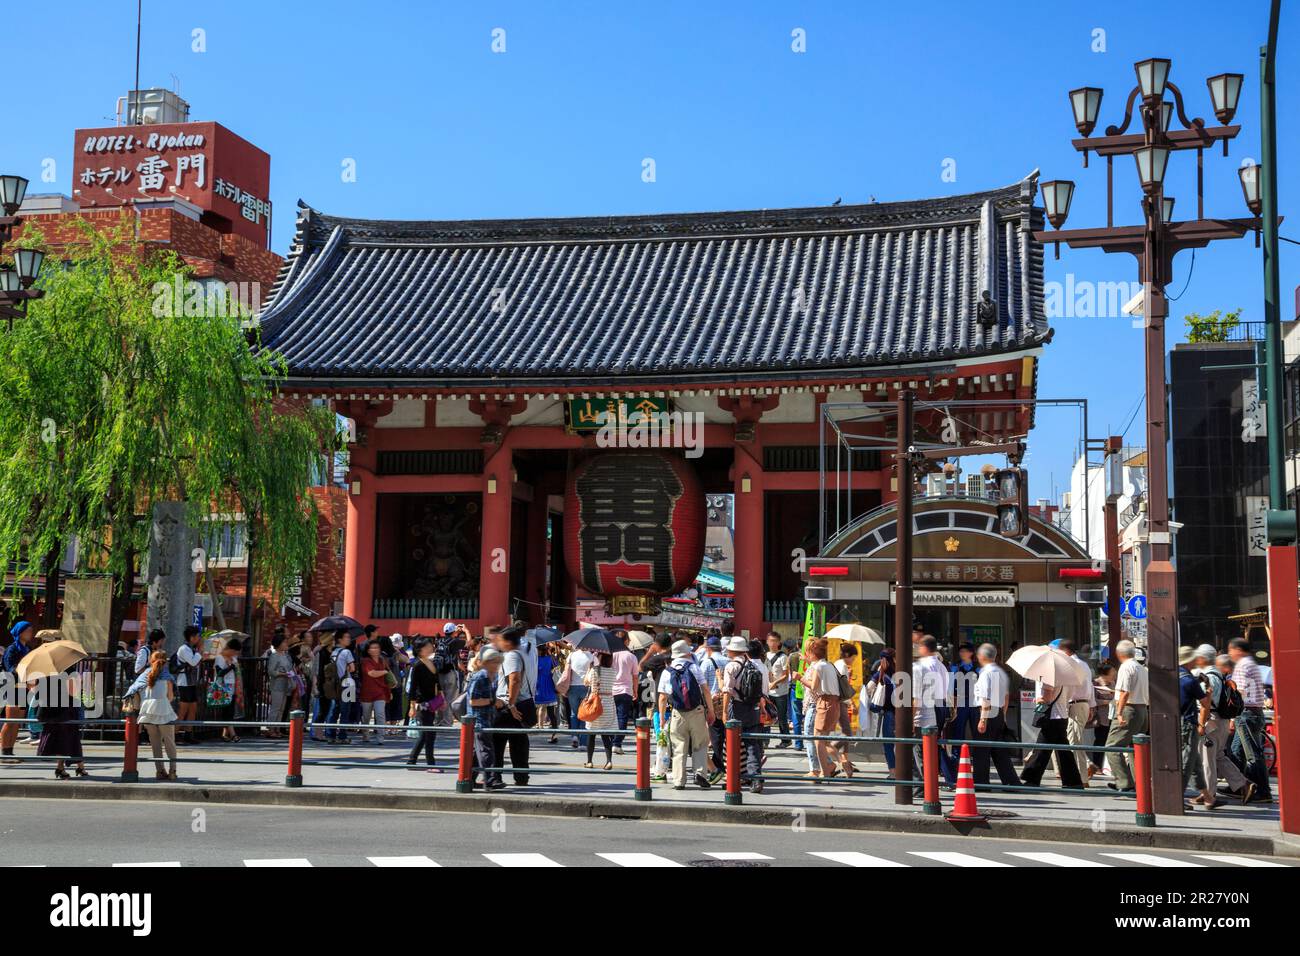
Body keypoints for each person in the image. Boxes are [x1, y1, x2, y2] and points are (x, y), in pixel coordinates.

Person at [1193, 646, 1253, 806]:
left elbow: (1206, 704)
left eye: (1197, 657)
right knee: (1218, 756)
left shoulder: (1208, 677)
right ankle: (1244, 784)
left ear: (1203, 658)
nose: (1196, 660)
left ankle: (1209, 794)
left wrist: (1201, 723)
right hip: (1222, 720)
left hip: (1210, 720)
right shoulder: (1218, 674)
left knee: (1207, 759)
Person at [657, 639, 715, 789]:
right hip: (697, 711)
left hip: (677, 713)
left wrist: (662, 718)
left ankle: (679, 780)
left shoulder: (667, 671)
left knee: (678, 747)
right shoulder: (694, 668)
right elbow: (706, 690)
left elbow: (662, 697)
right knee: (700, 744)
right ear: (687, 653)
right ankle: (700, 774)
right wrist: (711, 711)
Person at [1227, 638, 1272, 803]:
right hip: (1253, 712)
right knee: (1236, 750)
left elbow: (1239, 692)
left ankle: (1262, 791)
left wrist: (1231, 714)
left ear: (1238, 650)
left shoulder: (1242, 665)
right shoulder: (1251, 663)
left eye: (1231, 650)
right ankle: (1238, 785)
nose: (1230, 654)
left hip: (1246, 713)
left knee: (1253, 754)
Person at [720, 635, 765, 792]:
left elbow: (727, 691)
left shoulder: (731, 667)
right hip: (753, 708)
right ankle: (755, 780)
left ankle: (733, 778)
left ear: (732, 651)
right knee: (752, 746)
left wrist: (724, 712)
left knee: (732, 745)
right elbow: (759, 691)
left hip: (737, 708)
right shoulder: (753, 665)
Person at [493, 626, 537, 785]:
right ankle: (521, 776)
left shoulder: (511, 655)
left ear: (508, 642)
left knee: (497, 742)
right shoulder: (528, 653)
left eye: (500, 640)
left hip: (509, 705)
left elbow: (515, 679)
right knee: (519, 742)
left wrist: (511, 705)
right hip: (525, 702)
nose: (498, 643)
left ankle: (494, 777)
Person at [971, 643, 1020, 787]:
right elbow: (1006, 696)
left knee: (981, 750)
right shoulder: (1001, 672)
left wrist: (982, 719)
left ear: (982, 656)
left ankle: (981, 783)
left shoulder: (986, 673)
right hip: (998, 712)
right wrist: (1003, 715)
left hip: (987, 711)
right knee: (999, 750)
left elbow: (985, 698)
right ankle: (1011, 782)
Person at [911, 635, 956, 788]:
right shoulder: (942, 666)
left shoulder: (919, 666)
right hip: (941, 706)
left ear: (923, 648)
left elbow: (916, 697)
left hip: (927, 708)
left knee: (920, 747)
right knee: (934, 746)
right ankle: (940, 780)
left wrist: (911, 718)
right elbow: (948, 690)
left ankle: (924, 785)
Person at [1105, 639, 1148, 793]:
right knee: (1135, 748)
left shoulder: (1126, 667)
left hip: (1129, 709)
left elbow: (1124, 691)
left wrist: (1119, 712)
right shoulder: (1141, 668)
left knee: (1112, 747)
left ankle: (1124, 782)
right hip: (1142, 709)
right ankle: (1140, 782)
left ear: (1118, 653)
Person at [800, 638, 846, 781]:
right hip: (832, 703)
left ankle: (822, 771)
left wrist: (799, 678)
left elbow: (814, 686)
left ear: (812, 652)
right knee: (820, 740)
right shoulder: (828, 665)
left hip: (823, 702)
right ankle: (839, 764)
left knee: (816, 739)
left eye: (807, 651)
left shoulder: (819, 667)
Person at [37, 661, 87, 780]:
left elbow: (37, 691)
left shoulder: (44, 669)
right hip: (65, 710)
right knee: (70, 739)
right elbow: (72, 691)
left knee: (63, 740)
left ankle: (68, 767)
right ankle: (72, 767)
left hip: (49, 710)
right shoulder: (68, 669)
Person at [133, 650, 179, 780]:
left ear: (150, 661)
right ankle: (172, 771)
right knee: (170, 742)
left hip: (147, 711)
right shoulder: (167, 677)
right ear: (165, 662)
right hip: (163, 710)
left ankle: (160, 771)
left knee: (155, 743)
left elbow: (135, 691)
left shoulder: (143, 676)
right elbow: (170, 697)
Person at [1177, 646, 1210, 810]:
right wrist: (1208, 692)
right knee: (1187, 761)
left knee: (1194, 761)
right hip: (1188, 723)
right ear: (1189, 660)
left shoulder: (1175, 675)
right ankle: (1177, 797)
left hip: (1176, 721)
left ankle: (1208, 797)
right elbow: (1205, 703)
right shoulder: (1190, 681)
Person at [467, 647, 504, 789]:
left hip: (487, 718)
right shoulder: (480, 676)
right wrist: (493, 701)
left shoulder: (492, 676)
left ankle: (469, 778)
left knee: (478, 752)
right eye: (494, 662)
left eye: (498, 662)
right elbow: (472, 701)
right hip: (478, 719)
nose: (497, 665)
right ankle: (490, 780)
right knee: (486, 750)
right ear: (487, 663)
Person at [1058, 639, 1095, 782]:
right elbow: (1089, 687)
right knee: (1075, 740)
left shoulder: (1071, 665)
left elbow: (1068, 687)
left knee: (1073, 740)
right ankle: (1083, 772)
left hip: (1074, 704)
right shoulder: (1084, 665)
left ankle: (1080, 777)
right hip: (1083, 704)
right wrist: (1091, 706)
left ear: (1065, 651)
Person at [1, 621, 36, 762]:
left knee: (17, 721)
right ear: (20, 632)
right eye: (28, 630)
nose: (30, 633)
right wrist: (24, 673)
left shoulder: (27, 648)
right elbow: (10, 668)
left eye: (31, 630)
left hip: (23, 688)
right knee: (10, 721)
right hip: (12, 688)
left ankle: (10, 751)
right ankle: (4, 752)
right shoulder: (12, 649)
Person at [405, 638, 441, 769]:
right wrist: (412, 707)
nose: (431, 646)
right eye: (428, 645)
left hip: (432, 702)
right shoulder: (417, 665)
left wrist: (441, 696)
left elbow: (437, 682)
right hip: (422, 703)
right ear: (420, 649)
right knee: (429, 733)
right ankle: (431, 764)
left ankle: (412, 760)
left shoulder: (431, 662)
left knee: (426, 734)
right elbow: (413, 688)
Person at [581, 648, 619, 769]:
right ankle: (609, 761)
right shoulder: (613, 671)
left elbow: (586, 683)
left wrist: (589, 669)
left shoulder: (594, 670)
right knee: (605, 734)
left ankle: (589, 761)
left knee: (591, 734)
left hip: (595, 703)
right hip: (608, 704)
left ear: (601, 658)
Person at [863, 648, 897, 770]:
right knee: (902, 743)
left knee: (888, 743)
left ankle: (893, 772)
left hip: (888, 713)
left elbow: (867, 689)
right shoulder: (902, 673)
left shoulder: (880, 674)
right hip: (902, 713)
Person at [171, 625, 203, 744]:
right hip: (184, 682)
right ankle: (174, 734)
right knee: (183, 708)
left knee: (193, 707)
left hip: (192, 681)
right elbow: (193, 662)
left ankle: (188, 733)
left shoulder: (191, 649)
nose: (199, 638)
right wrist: (200, 651)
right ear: (191, 637)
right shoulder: (184, 649)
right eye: (197, 636)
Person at [947, 643, 979, 759]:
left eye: (964, 651)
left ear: (971, 653)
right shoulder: (955, 667)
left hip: (975, 702)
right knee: (958, 731)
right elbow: (950, 687)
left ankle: (977, 758)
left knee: (977, 731)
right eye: (960, 651)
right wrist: (952, 705)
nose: (962, 653)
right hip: (960, 702)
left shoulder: (977, 668)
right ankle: (957, 758)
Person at [432, 623, 468, 726]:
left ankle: (438, 721)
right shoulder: (455, 642)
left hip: (439, 673)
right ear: (454, 631)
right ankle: (446, 722)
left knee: (440, 697)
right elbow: (469, 643)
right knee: (449, 698)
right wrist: (465, 630)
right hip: (449, 673)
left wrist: (455, 631)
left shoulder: (440, 641)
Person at [209, 638, 244, 742]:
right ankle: (233, 734)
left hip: (232, 687)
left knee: (230, 711)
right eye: (235, 652)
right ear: (231, 649)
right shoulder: (220, 657)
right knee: (227, 711)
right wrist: (231, 667)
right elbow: (219, 672)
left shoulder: (233, 658)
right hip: (223, 687)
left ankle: (224, 734)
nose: (235, 654)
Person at [357, 638, 393, 742]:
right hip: (367, 693)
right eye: (372, 648)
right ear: (368, 650)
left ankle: (380, 737)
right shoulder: (365, 661)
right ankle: (365, 735)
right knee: (366, 717)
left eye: (377, 647)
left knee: (380, 714)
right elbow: (371, 673)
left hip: (380, 692)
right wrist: (385, 672)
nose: (375, 649)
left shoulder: (382, 660)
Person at [558, 643, 592, 750]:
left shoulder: (572, 655)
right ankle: (583, 742)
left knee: (574, 713)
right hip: (586, 687)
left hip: (572, 687)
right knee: (584, 714)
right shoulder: (591, 656)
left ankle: (574, 736)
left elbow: (567, 670)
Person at [610, 630, 639, 754]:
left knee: (612, 718)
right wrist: (635, 691)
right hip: (625, 690)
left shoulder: (609, 654)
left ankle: (611, 741)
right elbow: (635, 676)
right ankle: (617, 744)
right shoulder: (631, 656)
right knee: (622, 718)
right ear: (626, 640)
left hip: (610, 690)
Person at [264, 629, 293, 738]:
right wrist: (282, 674)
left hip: (286, 684)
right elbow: (271, 671)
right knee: (276, 708)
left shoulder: (286, 655)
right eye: (284, 642)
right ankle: (271, 729)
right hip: (277, 685)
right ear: (279, 644)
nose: (286, 644)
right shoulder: (274, 656)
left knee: (281, 708)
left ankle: (277, 729)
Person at [764, 632, 791, 747]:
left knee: (781, 717)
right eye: (770, 640)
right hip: (768, 691)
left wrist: (775, 682)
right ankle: (765, 740)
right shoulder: (765, 656)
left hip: (780, 692)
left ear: (779, 642)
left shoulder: (783, 657)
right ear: (767, 641)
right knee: (766, 716)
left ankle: (785, 740)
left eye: (775, 641)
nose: (773, 643)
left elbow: (786, 675)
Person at [533, 640, 560, 743]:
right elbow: (557, 669)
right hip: (549, 685)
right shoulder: (551, 658)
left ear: (538, 650)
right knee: (551, 712)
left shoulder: (535, 660)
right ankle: (554, 735)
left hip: (537, 685)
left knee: (533, 708)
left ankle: (526, 731)